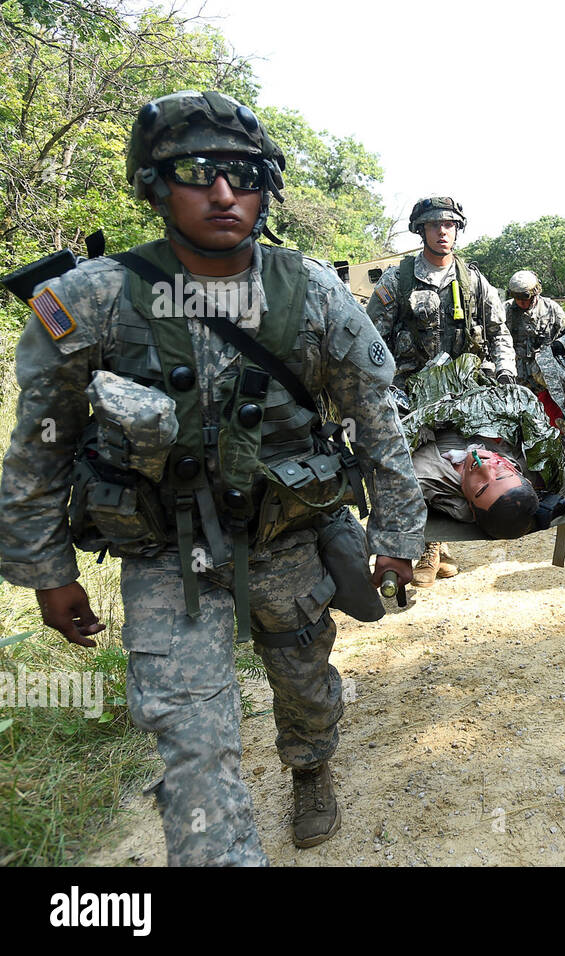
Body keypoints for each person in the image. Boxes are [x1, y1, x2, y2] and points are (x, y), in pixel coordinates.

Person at [0, 90, 425, 865]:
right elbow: (39, 447)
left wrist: (396, 537)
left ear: (266, 186)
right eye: (196, 171)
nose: (223, 193)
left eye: (242, 173)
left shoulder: (315, 294)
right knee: (193, 750)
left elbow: (375, 421)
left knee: (306, 687)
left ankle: (309, 767)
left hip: (287, 540)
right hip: (169, 555)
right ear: (155, 186)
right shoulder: (92, 300)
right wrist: (45, 570)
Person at [368, 196, 516, 580]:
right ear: (421, 230)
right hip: (409, 393)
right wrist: (379, 388)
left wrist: (505, 375)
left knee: (457, 468)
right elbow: (372, 339)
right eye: (435, 225)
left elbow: (500, 332)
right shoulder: (397, 280)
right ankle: (425, 548)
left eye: (449, 225)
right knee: (406, 470)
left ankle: (436, 546)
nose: (443, 231)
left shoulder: (473, 280)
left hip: (462, 394)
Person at [401, 355, 565, 584]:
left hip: (428, 386)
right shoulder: (536, 464)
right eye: (501, 472)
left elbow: (396, 440)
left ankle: (433, 549)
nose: (483, 465)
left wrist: (442, 411)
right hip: (474, 378)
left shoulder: (426, 474)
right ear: (520, 475)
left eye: (480, 487)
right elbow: (522, 398)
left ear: (468, 505)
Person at [502, 269, 565, 430]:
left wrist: (559, 345)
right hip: (519, 379)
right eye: (517, 298)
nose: (521, 303)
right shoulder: (505, 311)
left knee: (559, 416)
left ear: (535, 293)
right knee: (523, 423)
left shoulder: (551, 308)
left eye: (525, 298)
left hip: (548, 376)